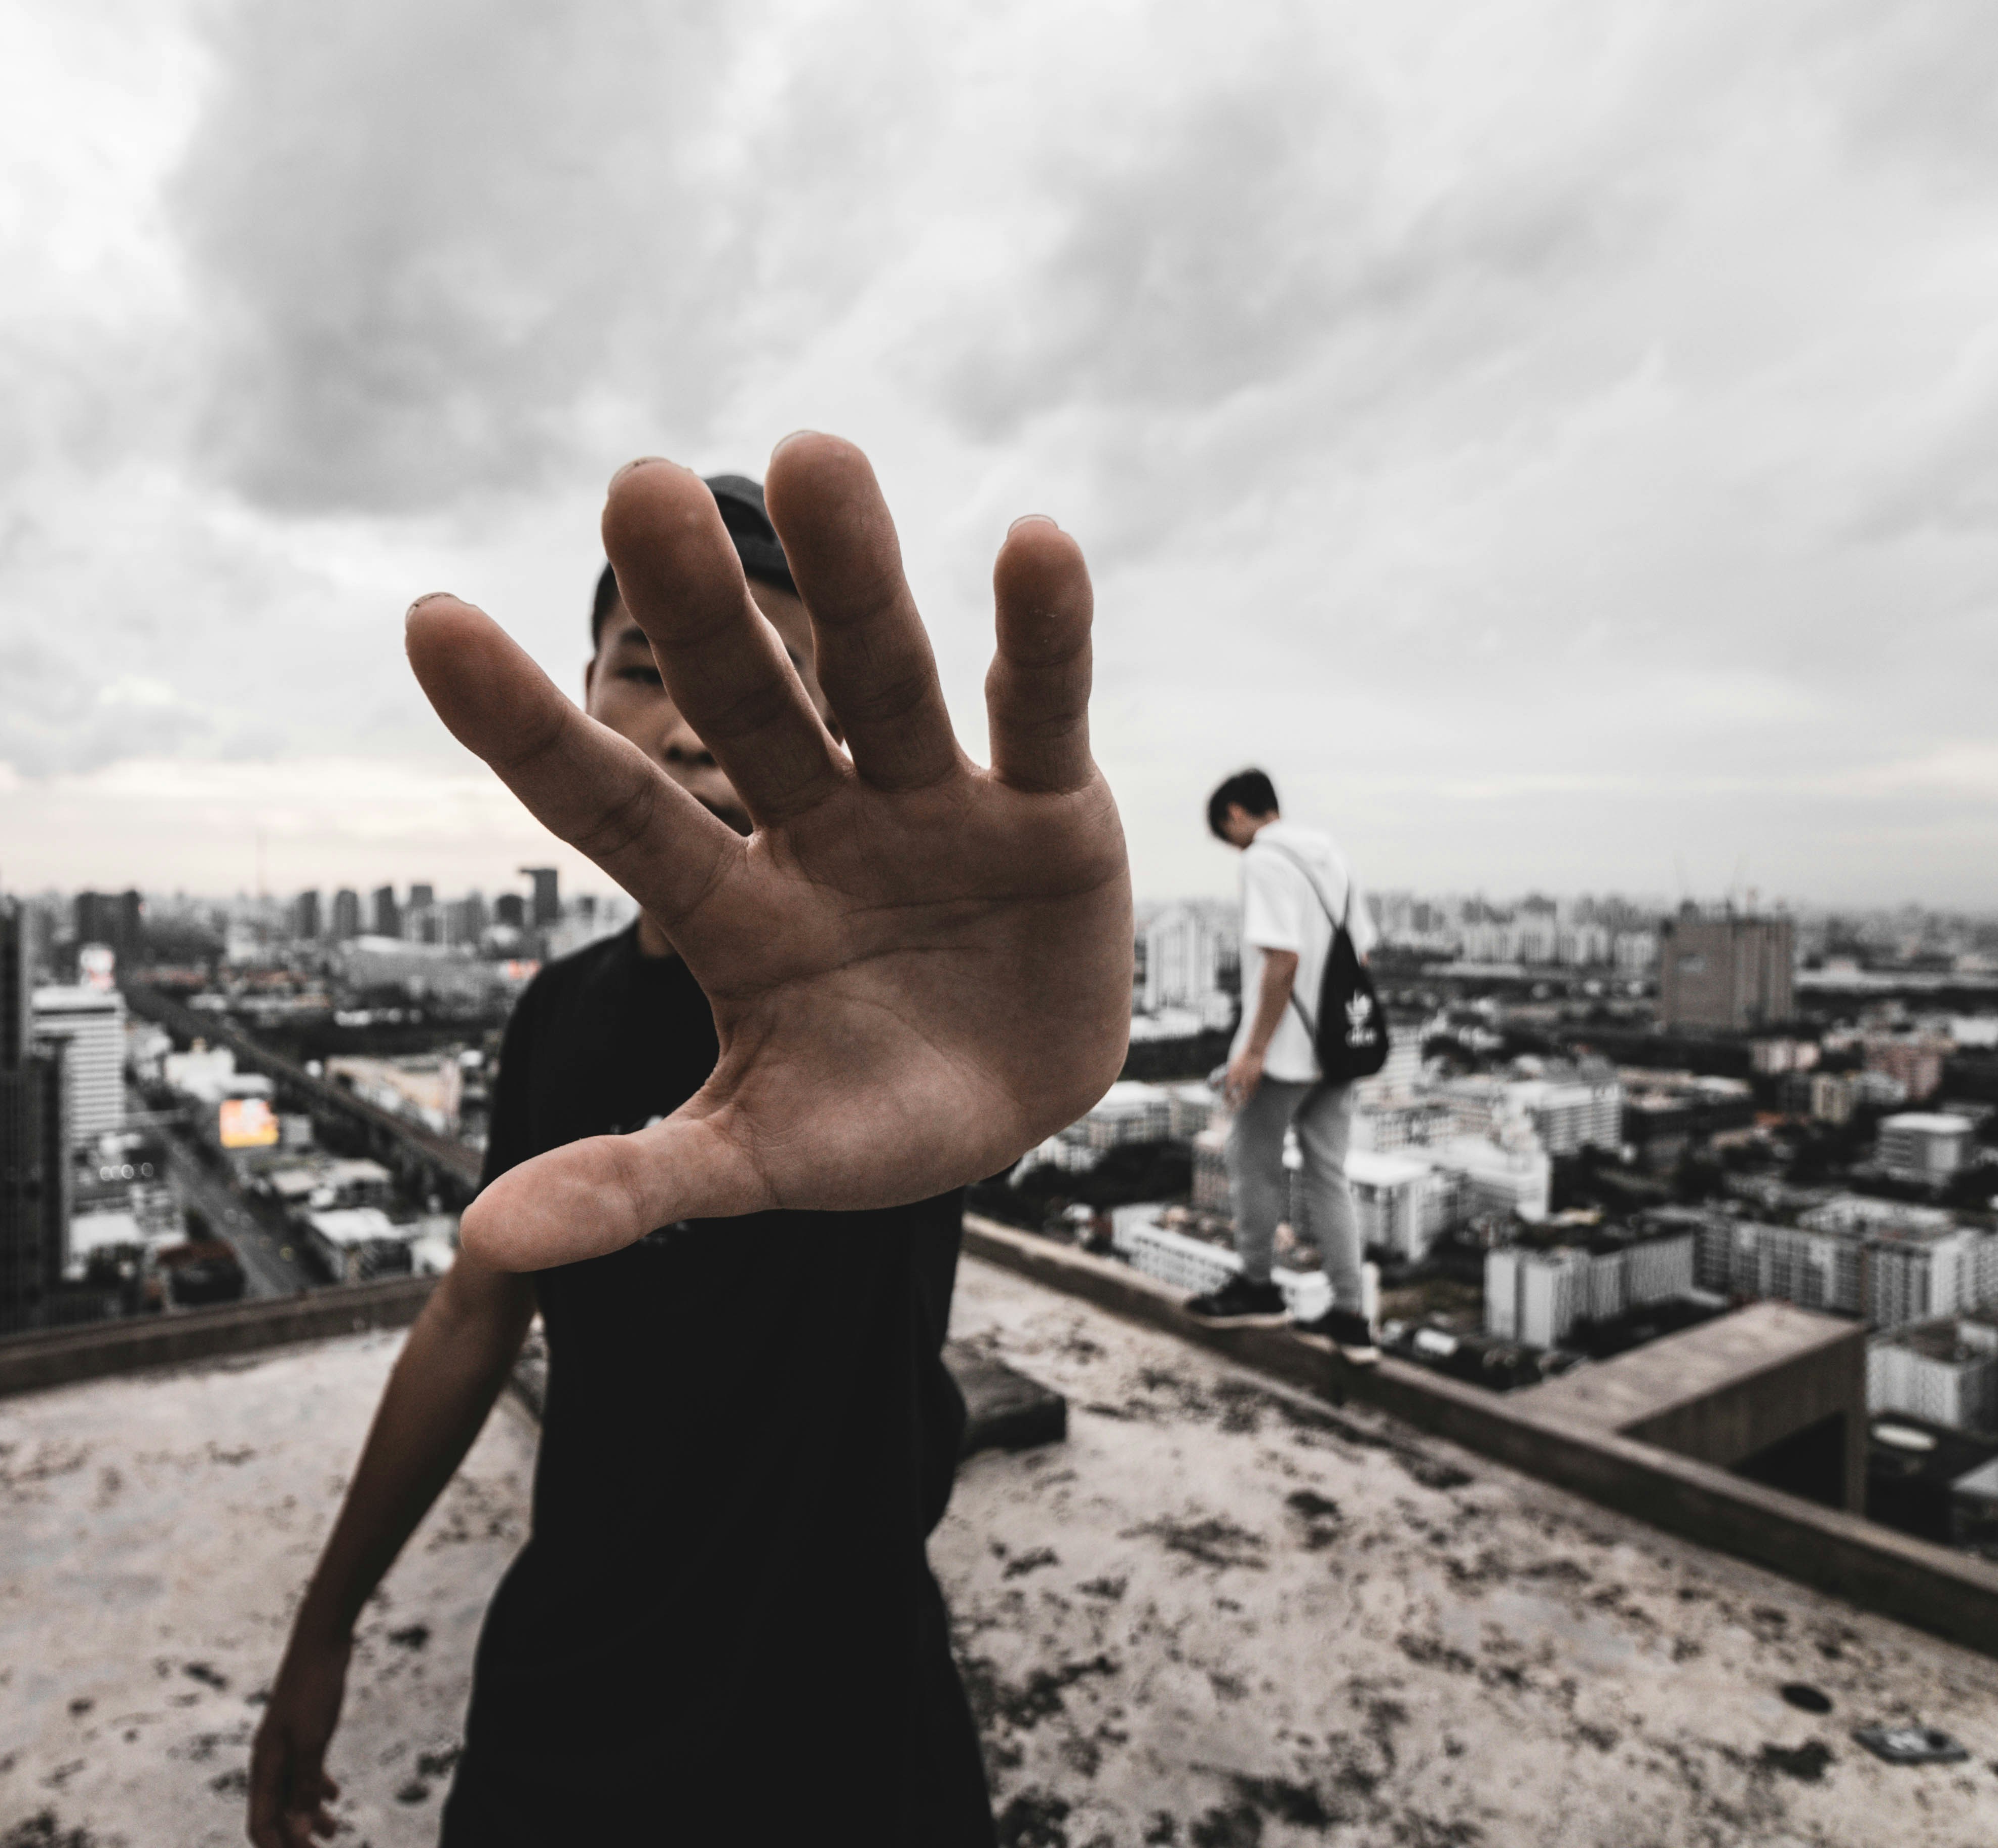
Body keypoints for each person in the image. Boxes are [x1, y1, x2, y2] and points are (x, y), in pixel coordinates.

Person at [245, 438, 1132, 1848]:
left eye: (776, 686)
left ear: (839, 733)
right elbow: (477, 1307)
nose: (692, 725)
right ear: (589, 688)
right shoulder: (556, 1013)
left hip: (857, 1704)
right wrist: (325, 1620)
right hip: (576, 1684)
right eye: (643, 669)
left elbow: (987, 1117)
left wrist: (1034, 1036)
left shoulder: (909, 1027)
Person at [1186, 768, 1379, 1365]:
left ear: (1239, 813)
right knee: (1329, 1176)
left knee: (1255, 1167)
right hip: (1339, 1048)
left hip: (1286, 1053)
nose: (1233, 845)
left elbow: (1282, 960)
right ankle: (1351, 1319)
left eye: (1229, 831)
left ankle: (1257, 1288)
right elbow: (1362, 950)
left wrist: (1255, 1051)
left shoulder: (1264, 860)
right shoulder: (1330, 854)